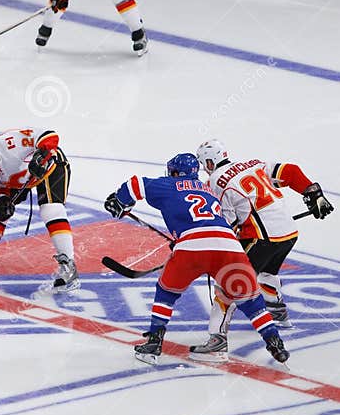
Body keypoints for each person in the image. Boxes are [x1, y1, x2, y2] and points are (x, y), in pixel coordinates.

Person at [104, 153, 290, 365]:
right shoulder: (209, 190)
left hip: (191, 248)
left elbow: (134, 184)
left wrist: (119, 201)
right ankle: (275, 342)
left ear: (174, 172)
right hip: (229, 246)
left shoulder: (168, 184)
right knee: (250, 300)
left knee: (166, 292)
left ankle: (154, 342)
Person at [188, 139, 334, 361]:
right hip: (288, 233)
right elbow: (291, 171)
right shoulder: (254, 164)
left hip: (263, 238)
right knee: (267, 271)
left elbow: (227, 222)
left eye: (204, 164)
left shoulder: (216, 180)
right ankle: (276, 309)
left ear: (210, 161)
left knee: (227, 284)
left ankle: (217, 339)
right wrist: (314, 194)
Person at [0, 128, 78, 291]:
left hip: (49, 169)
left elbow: (49, 135)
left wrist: (41, 154)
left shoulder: (11, 143)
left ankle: (68, 263)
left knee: (51, 210)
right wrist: (2, 199)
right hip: (20, 178)